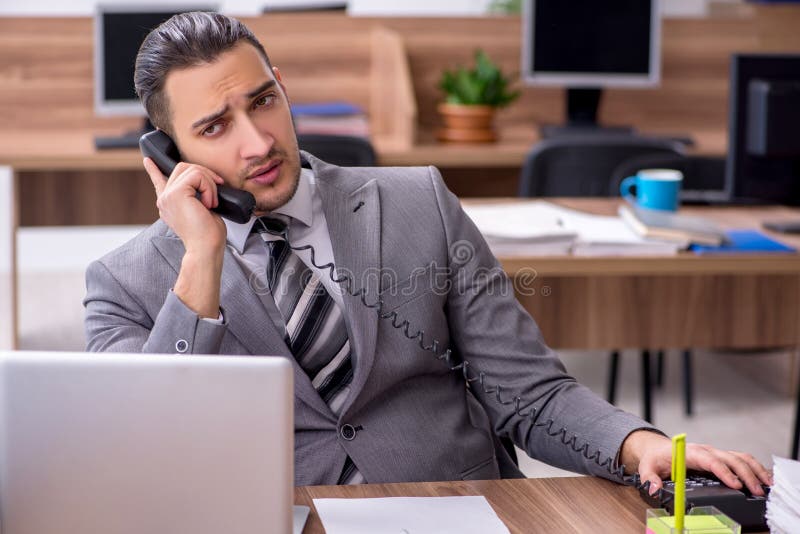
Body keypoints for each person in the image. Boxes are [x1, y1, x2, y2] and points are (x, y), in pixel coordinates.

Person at [84, 12, 772, 492]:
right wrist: (200, 260)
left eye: (263, 101)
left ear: (283, 87)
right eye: (215, 127)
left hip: (456, 506)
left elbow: (528, 393)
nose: (258, 142)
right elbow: (143, 449)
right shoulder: (125, 283)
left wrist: (637, 443)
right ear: (169, 154)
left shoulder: (419, 201)